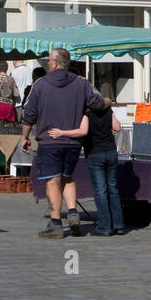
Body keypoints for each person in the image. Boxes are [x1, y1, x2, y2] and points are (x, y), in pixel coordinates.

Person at [20, 48, 104, 238]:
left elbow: (29, 114)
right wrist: (106, 101)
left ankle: (56, 223)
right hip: (73, 142)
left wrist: (24, 137)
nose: (47, 63)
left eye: (49, 60)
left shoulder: (40, 84)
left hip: (50, 140)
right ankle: (73, 212)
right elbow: (96, 103)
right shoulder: (81, 83)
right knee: (68, 176)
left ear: (56, 62)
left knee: (53, 180)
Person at [52, 97, 126, 236]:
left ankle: (105, 226)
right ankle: (119, 224)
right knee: (113, 188)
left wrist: (62, 133)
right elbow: (117, 127)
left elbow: (83, 131)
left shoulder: (87, 113)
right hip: (110, 150)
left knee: (100, 191)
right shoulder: (107, 109)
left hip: (95, 152)